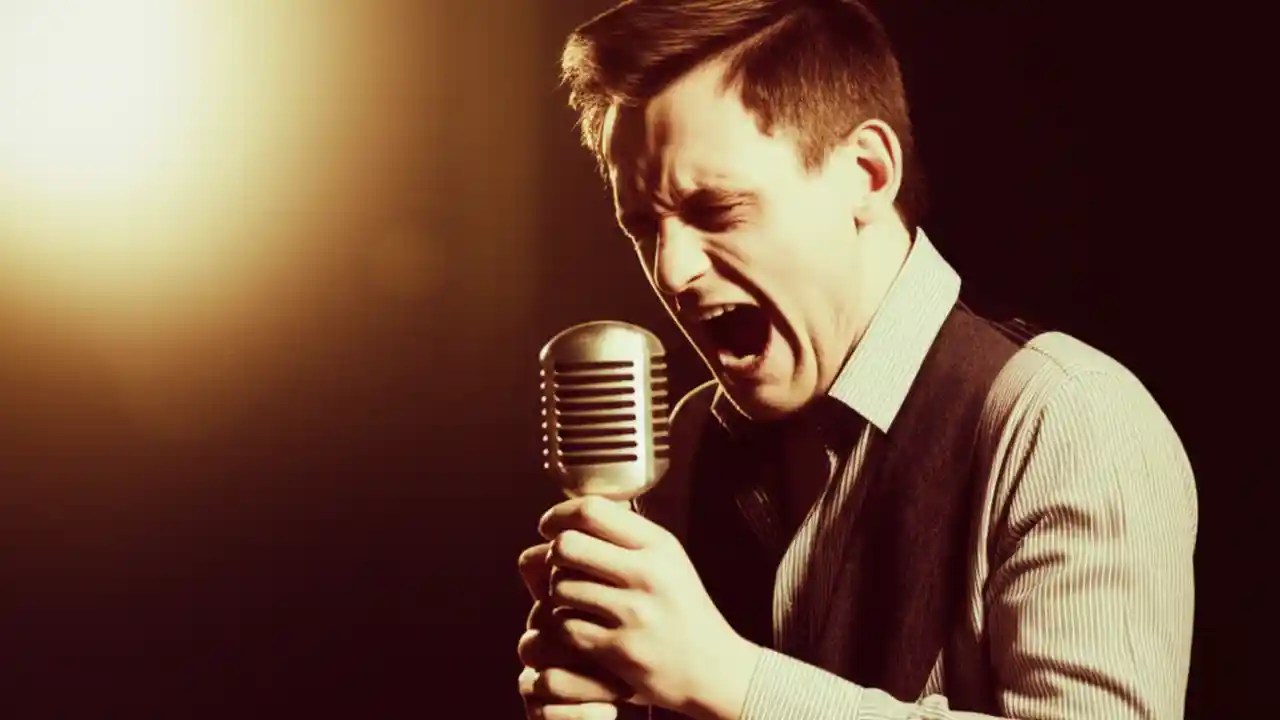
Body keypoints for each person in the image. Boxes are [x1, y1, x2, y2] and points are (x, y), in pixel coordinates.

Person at [516, 1, 1198, 718]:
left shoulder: (1066, 418)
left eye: (717, 210)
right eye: (643, 225)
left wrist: (732, 682)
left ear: (868, 174)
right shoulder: (686, 448)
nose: (673, 269)